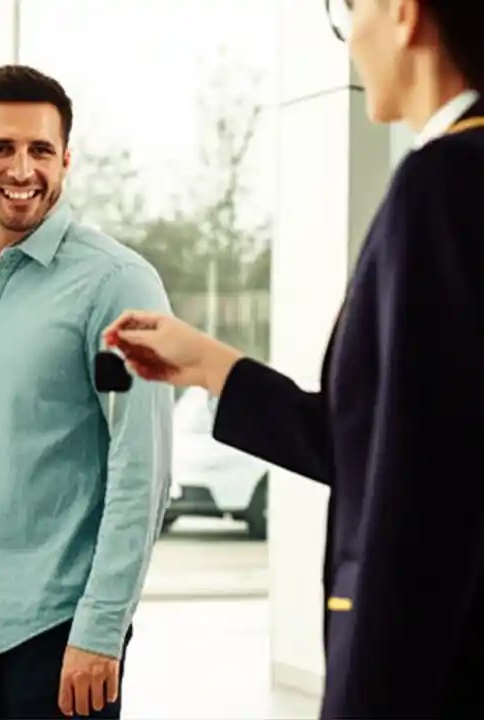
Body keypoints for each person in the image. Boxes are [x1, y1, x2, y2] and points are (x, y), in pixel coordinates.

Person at [102, 1, 484, 717]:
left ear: (403, 13)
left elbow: (410, 496)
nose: (349, 38)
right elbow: (382, 442)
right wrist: (213, 366)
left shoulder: (439, 188)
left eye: (349, 10)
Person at [0, 64, 174, 719]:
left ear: (66, 158)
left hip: (59, 635)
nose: (22, 168)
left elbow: (141, 466)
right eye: (2, 147)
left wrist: (101, 628)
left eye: (41, 150)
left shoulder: (117, 283)